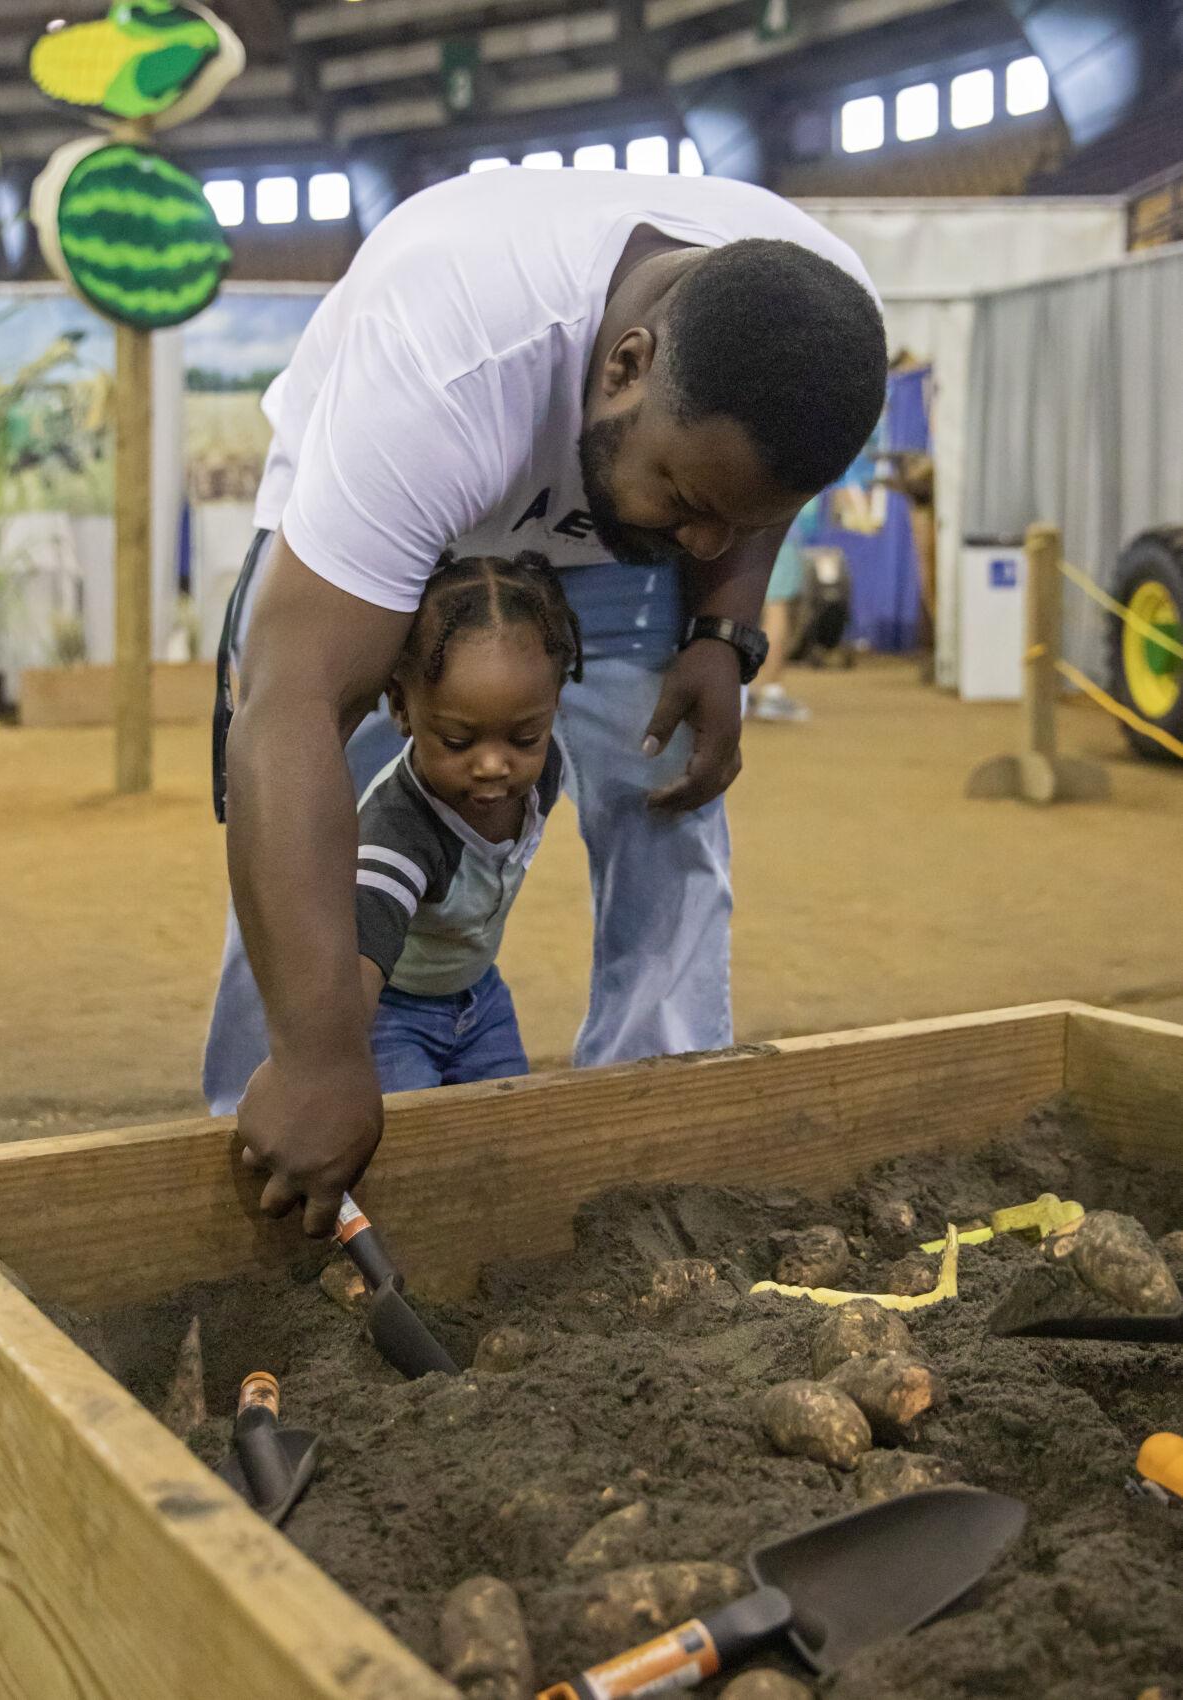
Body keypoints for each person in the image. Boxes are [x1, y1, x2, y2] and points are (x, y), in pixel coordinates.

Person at [213, 167, 887, 1237]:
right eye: (691, 502)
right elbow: (289, 706)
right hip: (416, 514)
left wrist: (721, 627)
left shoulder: (816, 322)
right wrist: (320, 1052)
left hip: (609, 510)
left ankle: (654, 1160)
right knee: (305, 814)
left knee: (668, 800)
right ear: (627, 363)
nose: (709, 540)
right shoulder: (444, 358)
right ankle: (267, 1138)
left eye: (736, 520)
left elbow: (737, 499)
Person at [355, 549, 579, 1092]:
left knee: (505, 1136)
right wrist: (329, 1066)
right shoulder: (397, 835)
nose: (493, 765)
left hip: (482, 1000)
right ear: (401, 707)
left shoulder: (545, 773)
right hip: (389, 1016)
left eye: (524, 737)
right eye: (458, 741)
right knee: (405, 1151)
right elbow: (356, 958)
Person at [748, 500, 819, 723]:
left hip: (748, 534)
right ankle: (770, 692)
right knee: (778, 610)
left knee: (751, 610)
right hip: (780, 535)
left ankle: (747, 691)